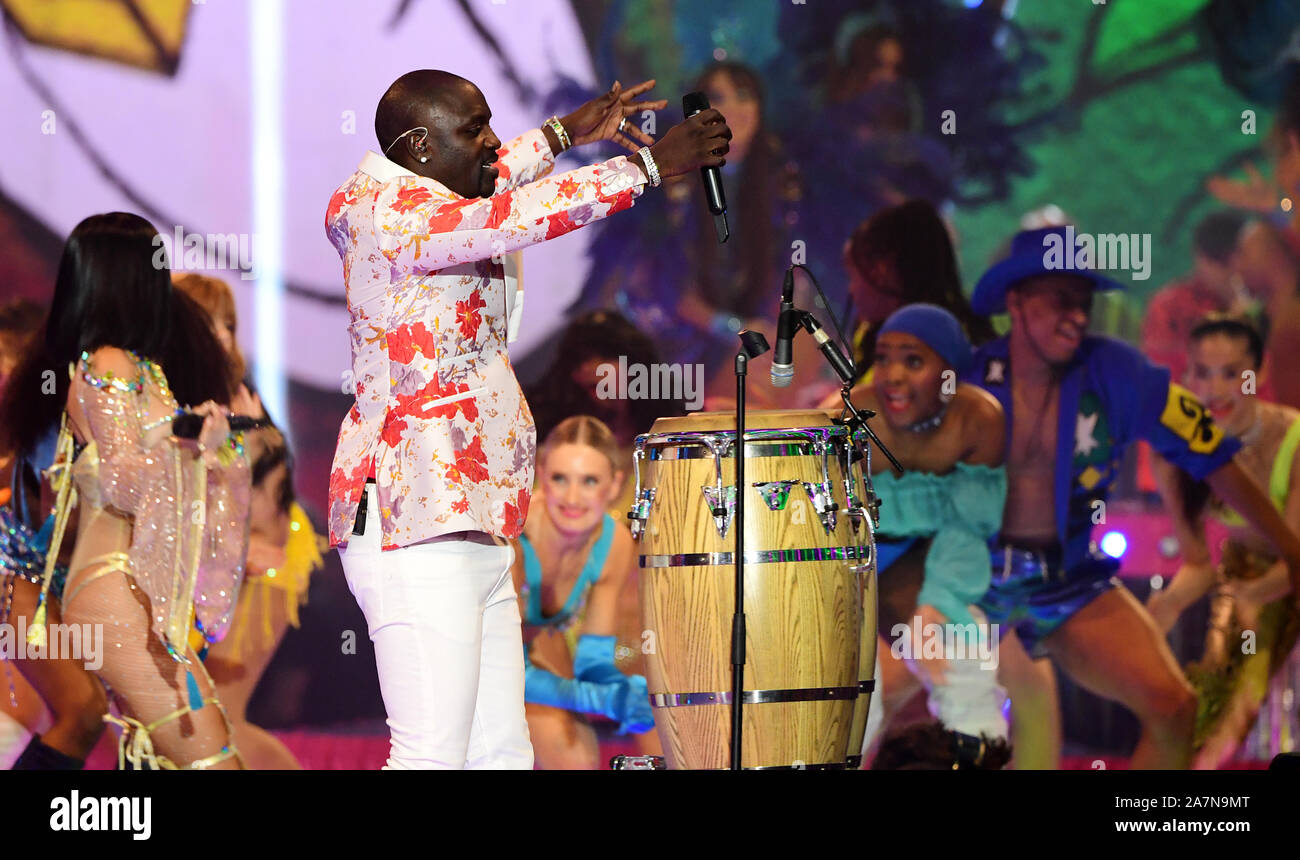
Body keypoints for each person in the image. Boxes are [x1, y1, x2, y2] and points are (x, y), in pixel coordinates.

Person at [327, 69, 730, 769]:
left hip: (471, 515)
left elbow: (494, 178)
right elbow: (508, 215)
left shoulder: (430, 191)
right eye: (473, 128)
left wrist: (568, 132)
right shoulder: (384, 215)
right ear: (420, 146)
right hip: (412, 516)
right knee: (430, 755)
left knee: (500, 755)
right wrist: (649, 167)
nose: (490, 141)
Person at [965, 224, 1300, 769]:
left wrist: (1290, 544)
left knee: (1174, 707)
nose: (1077, 314)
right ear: (1017, 300)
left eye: (1084, 301)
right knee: (884, 694)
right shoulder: (968, 375)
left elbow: (1210, 453)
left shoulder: (1120, 373)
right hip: (968, 581)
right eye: (1060, 300)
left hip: (1068, 580)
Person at [831, 305, 1009, 766]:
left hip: (933, 563)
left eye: (913, 361)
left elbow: (968, 528)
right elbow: (821, 528)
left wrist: (936, 605)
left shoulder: (979, 419)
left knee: (963, 664)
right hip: (850, 569)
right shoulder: (850, 419)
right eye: (885, 358)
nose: (893, 375)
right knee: (846, 704)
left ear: (949, 372)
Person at [173, 272, 324, 769]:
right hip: (214, 567)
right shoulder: (166, 396)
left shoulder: (239, 402)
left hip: (265, 563)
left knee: (219, 716)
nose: (219, 336)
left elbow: (261, 509)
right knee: (192, 716)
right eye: (206, 322)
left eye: (227, 325)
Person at [1146, 315, 1300, 766]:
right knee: (1205, 692)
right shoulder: (1173, 453)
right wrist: (1166, 608)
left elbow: (1296, 556)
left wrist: (1246, 598)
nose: (1215, 390)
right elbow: (1198, 563)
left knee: (1242, 651)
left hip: (1280, 583)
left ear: (1260, 373)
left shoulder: (1291, 438)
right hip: (1250, 587)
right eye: (1202, 373)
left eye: (1232, 374)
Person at [510, 416, 655, 768]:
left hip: (534, 649)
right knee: (566, 747)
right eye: (561, 479)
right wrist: (595, 698)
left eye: (589, 481)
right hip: (481, 660)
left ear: (614, 484)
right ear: (541, 474)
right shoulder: (513, 532)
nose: (573, 497)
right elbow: (501, 666)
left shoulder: (614, 542)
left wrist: (621, 695)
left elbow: (593, 659)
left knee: (654, 718)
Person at [1141, 212, 1251, 383]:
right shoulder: (1170, 304)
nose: (1234, 273)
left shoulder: (1258, 303)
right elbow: (1162, 370)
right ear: (1200, 258)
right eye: (1223, 263)